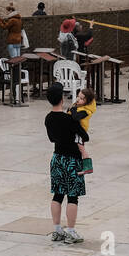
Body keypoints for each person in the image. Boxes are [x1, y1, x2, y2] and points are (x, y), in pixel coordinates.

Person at [44, 83, 87, 243]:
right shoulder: (69, 119)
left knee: (58, 194)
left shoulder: (48, 118)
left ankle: (57, 230)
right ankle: (70, 230)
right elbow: (84, 136)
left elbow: (52, 138)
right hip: (72, 161)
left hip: (57, 158)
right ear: (62, 98)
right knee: (73, 197)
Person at [70, 87, 97, 175]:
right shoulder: (78, 106)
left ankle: (88, 167)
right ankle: (79, 165)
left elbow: (75, 117)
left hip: (80, 132)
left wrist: (73, 109)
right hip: (74, 131)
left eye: (81, 98)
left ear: (87, 102)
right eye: (78, 97)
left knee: (81, 148)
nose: (78, 99)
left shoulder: (86, 111)